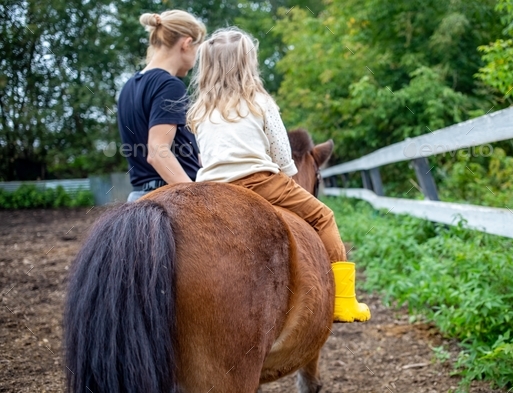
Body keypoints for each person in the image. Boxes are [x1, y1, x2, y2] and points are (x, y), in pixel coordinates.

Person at [186, 27, 370, 323]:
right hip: (260, 182)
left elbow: (206, 156)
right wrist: (286, 174)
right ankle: (343, 302)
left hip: (211, 190)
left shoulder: (198, 111)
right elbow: (284, 157)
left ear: (205, 66)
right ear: (249, 63)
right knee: (324, 217)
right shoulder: (260, 102)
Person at [117, 11, 206, 202]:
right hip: (170, 201)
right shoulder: (169, 85)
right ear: (187, 43)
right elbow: (158, 152)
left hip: (138, 198)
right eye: (198, 47)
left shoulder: (128, 87)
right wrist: (198, 199)